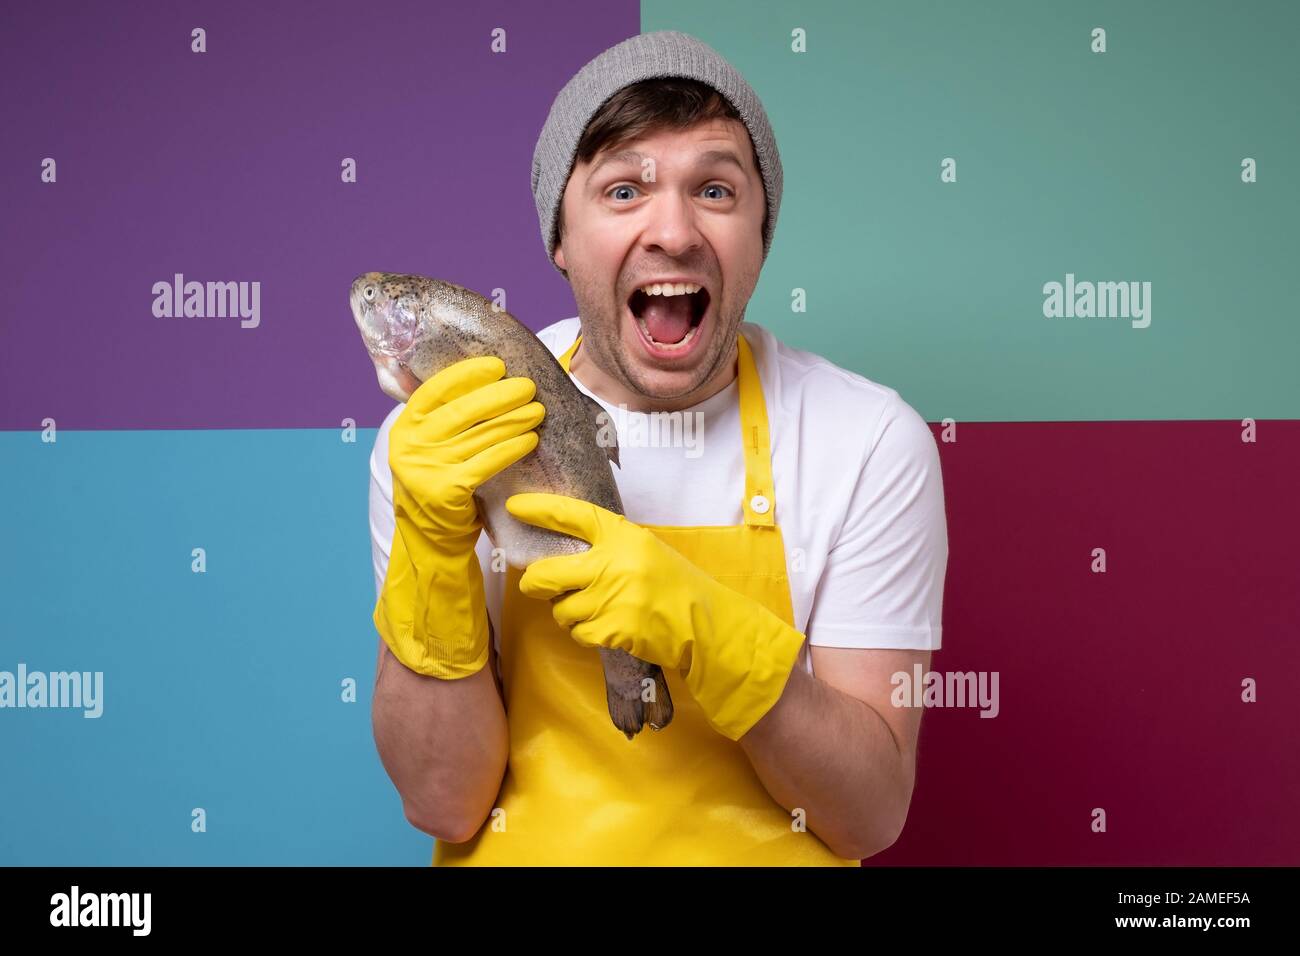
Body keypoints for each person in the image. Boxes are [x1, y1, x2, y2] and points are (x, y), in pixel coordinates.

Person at [367, 30, 949, 866]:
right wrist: (431, 546)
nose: (673, 232)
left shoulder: (867, 440)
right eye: (623, 189)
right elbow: (443, 803)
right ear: (560, 238)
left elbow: (869, 814)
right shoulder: (438, 442)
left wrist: (714, 639)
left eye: (714, 189)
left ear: (761, 234)